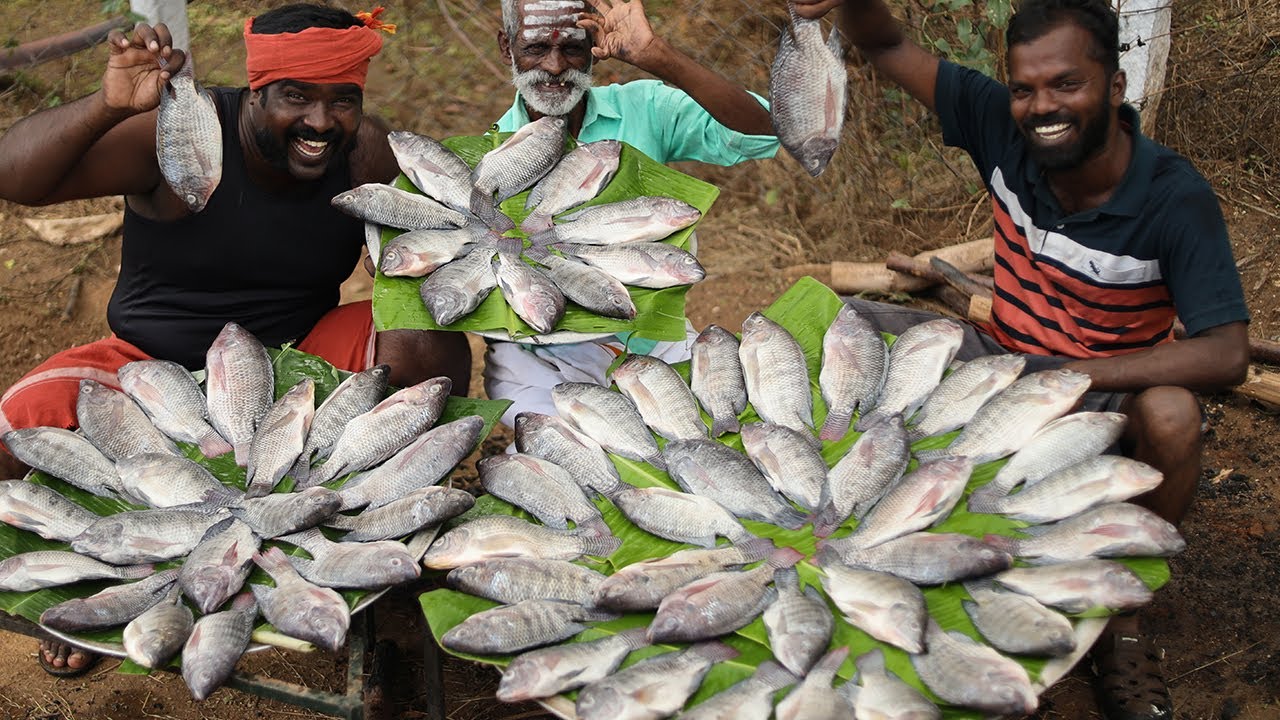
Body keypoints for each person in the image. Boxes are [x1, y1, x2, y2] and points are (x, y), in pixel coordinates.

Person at [793, 0, 1250, 718]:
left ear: (1115, 86)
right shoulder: (997, 126)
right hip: (999, 359)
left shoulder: (1173, 198)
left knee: (1173, 416)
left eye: (1066, 84)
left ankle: (1121, 622)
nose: (1042, 107)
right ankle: (834, 501)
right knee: (834, 321)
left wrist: (1082, 373)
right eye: (1025, 88)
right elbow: (883, 42)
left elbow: (1226, 354)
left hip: (1103, 391)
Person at [0, 4, 470, 677]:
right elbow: (13, 175)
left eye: (342, 100)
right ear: (256, 92)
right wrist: (106, 107)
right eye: (296, 97)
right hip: (149, 365)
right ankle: (88, 589)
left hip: (296, 364)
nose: (320, 121)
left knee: (428, 342)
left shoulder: (364, 151)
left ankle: (378, 533)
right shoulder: (183, 132)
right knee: (13, 428)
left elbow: (407, 263)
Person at [483, 0, 780, 426]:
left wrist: (657, 55)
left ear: (594, 46)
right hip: (541, 357)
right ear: (506, 47)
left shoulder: (644, 108)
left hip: (650, 339)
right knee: (561, 452)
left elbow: (766, 131)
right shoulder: (491, 154)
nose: (554, 66)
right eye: (535, 48)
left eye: (572, 48)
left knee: (719, 431)